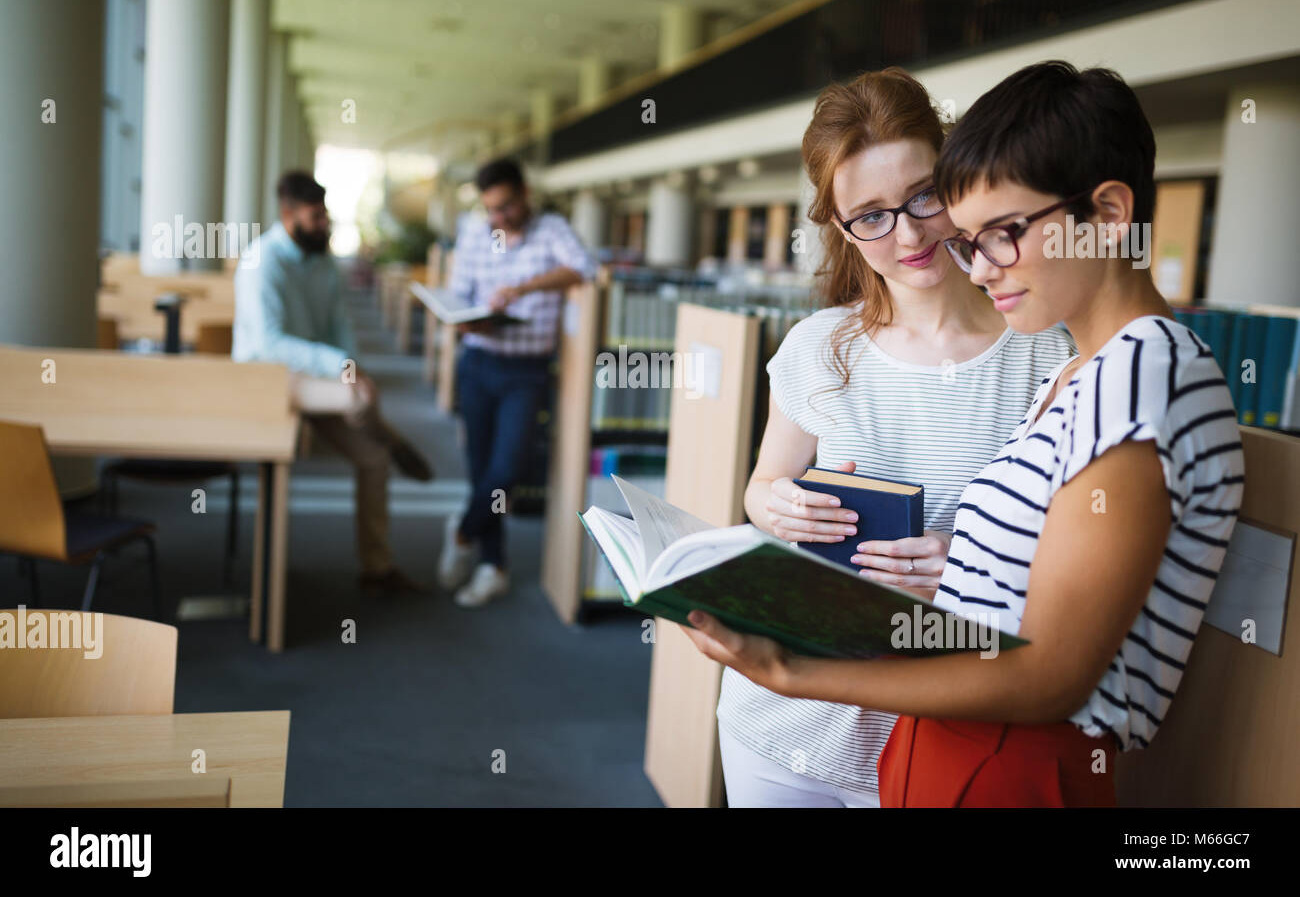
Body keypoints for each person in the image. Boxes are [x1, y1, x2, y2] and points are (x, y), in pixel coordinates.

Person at [683, 61, 1244, 807]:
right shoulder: (1079, 371)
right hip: (905, 729)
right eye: (873, 215)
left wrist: (791, 667)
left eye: (995, 231)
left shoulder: (1110, 368)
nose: (974, 262)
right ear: (844, 229)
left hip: (979, 732)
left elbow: (1051, 674)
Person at [714, 68, 1075, 807]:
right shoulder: (820, 346)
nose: (908, 234)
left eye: (923, 196)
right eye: (870, 216)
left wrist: (970, 563)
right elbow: (761, 487)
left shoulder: (1051, 351)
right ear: (842, 229)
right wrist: (773, 506)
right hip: (785, 719)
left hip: (940, 735)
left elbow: (1080, 551)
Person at [234, 170, 433, 594]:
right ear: (288, 216)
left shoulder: (323, 261)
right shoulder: (261, 262)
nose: (323, 225)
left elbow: (339, 325)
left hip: (313, 374)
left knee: (373, 458)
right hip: (265, 377)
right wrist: (342, 366)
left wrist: (351, 366)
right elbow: (269, 343)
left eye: (325, 216)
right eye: (315, 217)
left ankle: (377, 570)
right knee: (357, 404)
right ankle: (389, 435)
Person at [438, 158, 596, 607]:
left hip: (526, 371)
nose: (499, 218)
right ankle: (494, 567)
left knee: (507, 471)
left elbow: (583, 268)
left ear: (524, 193)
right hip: (479, 363)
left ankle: (463, 531)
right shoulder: (473, 233)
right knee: (481, 471)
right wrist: (470, 324)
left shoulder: (552, 229)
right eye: (491, 209)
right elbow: (460, 296)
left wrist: (524, 288)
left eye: (505, 206)